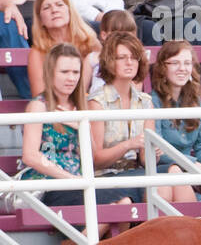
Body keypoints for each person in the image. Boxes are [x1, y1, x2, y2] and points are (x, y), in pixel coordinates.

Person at [21, 43, 142, 207]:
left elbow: (92, 157)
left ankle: (88, 234)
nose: (71, 78)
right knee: (117, 202)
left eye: (75, 72)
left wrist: (81, 128)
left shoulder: (80, 106)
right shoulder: (39, 106)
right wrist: (71, 179)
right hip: (46, 186)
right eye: (64, 72)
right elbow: (30, 156)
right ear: (50, 73)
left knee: (124, 202)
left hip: (78, 184)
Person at [90, 30, 196, 202]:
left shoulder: (145, 102)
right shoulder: (97, 102)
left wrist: (152, 153)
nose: (129, 62)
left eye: (134, 57)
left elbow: (146, 161)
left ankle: (190, 226)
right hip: (105, 178)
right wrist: (128, 145)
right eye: (121, 57)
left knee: (174, 172)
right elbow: (96, 160)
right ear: (109, 61)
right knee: (163, 183)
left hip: (137, 174)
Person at [149, 37, 201, 174]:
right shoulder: (152, 102)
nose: (182, 69)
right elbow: (158, 151)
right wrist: (195, 164)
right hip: (166, 170)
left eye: (187, 63)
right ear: (163, 68)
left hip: (194, 170)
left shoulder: (195, 101)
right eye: (175, 63)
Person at [26, 0, 97, 99]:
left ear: (70, 10)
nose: (54, 10)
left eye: (59, 5)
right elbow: (39, 96)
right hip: (55, 109)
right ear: (40, 20)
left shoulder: (90, 42)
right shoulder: (37, 52)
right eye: (46, 8)